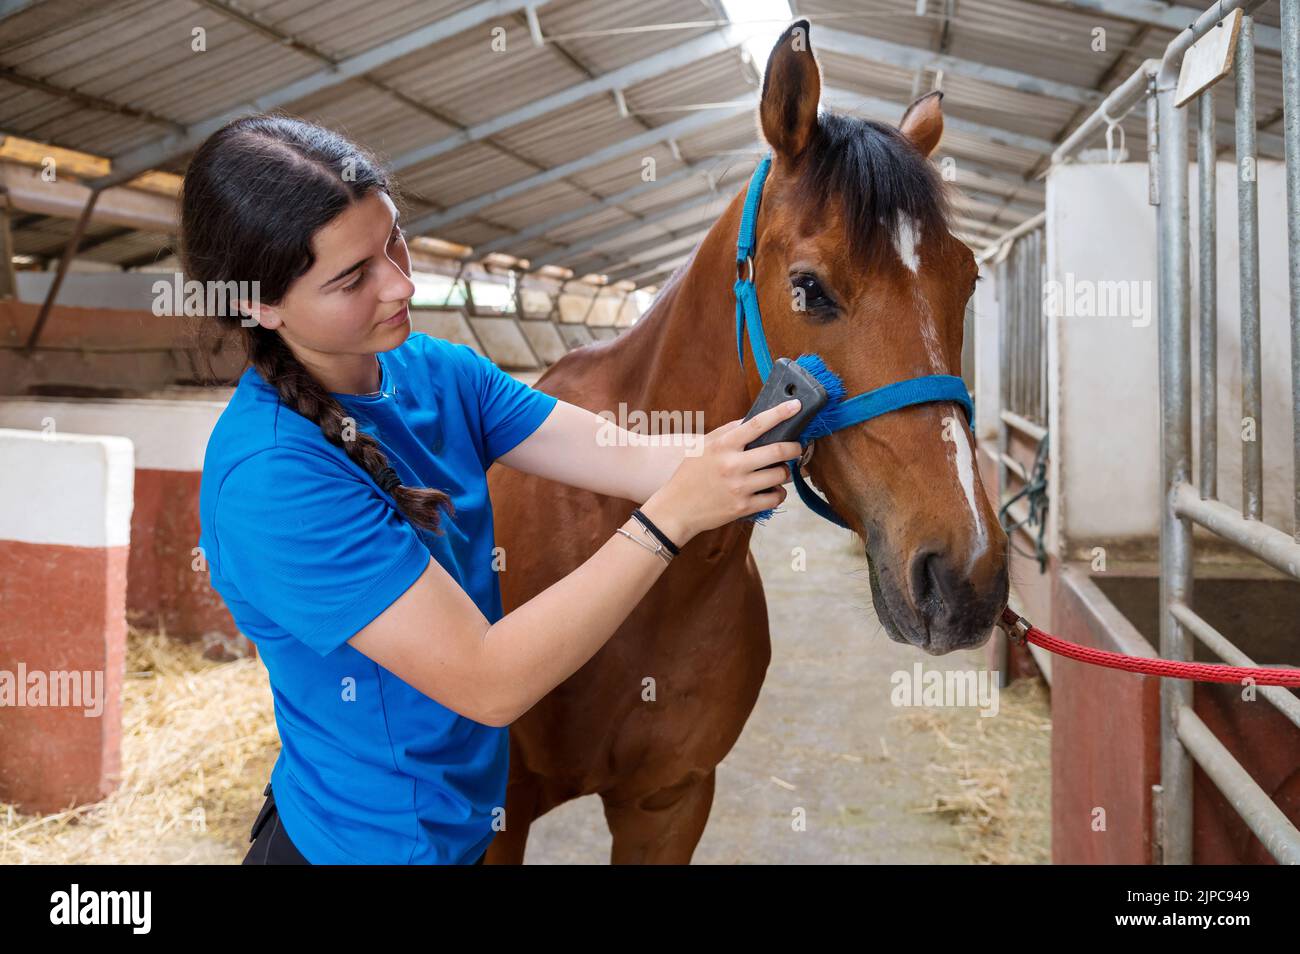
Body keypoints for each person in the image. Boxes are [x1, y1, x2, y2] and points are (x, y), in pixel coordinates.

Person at [186, 114, 803, 865]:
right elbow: (488, 681)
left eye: (393, 242)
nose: (402, 284)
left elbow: (627, 455)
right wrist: (669, 520)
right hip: (367, 848)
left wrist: (752, 443)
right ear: (260, 304)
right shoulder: (274, 478)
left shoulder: (435, 370)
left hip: (462, 833)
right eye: (354, 278)